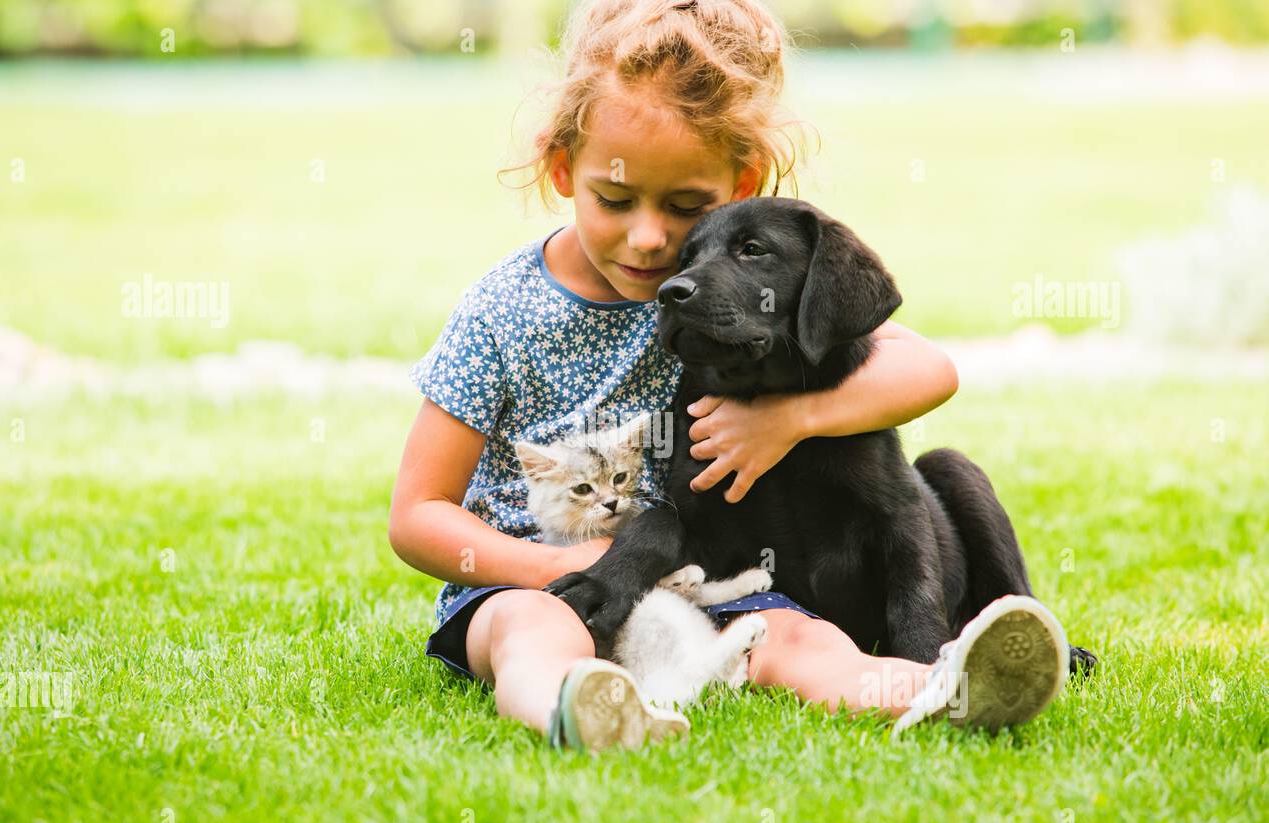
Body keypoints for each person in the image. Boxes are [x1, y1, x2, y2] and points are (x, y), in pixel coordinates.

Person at [389, 0, 1069, 752]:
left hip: (708, 585)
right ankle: (572, 709)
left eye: (685, 207)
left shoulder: (727, 303)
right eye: (614, 199)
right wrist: (553, 565)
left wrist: (789, 420)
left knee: (792, 637)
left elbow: (928, 368)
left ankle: (936, 689)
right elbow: (417, 513)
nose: (649, 241)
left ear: (740, 187)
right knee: (532, 628)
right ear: (562, 168)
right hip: (537, 580)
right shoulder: (501, 311)